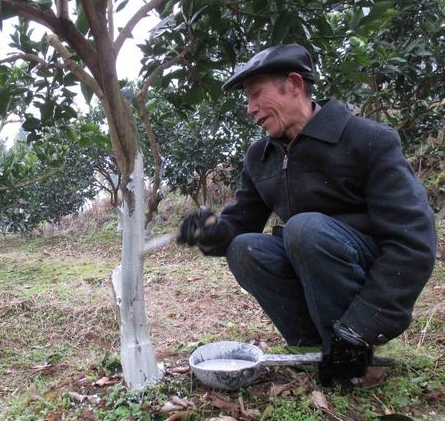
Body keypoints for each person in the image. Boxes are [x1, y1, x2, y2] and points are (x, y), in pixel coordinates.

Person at [177, 44, 437, 387]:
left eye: (257, 95)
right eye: (247, 101)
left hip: (365, 274)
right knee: (246, 248)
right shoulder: (261, 156)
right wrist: (210, 231)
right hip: (311, 258)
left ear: (295, 84)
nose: (251, 109)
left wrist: (363, 325)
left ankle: (356, 353)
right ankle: (316, 350)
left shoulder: (368, 140)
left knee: (304, 228)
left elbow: (414, 243)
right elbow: (238, 226)